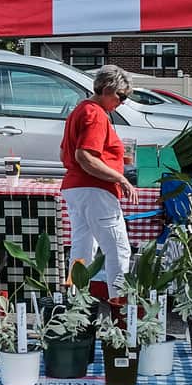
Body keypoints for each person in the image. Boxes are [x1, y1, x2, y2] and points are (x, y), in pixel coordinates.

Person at [60, 64, 138, 296]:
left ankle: (75, 303)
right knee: (118, 250)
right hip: (96, 189)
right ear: (106, 89)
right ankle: (120, 306)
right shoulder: (95, 114)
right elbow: (84, 156)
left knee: (82, 248)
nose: (122, 102)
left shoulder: (80, 110)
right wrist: (121, 179)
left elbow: (65, 153)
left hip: (76, 187)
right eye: (121, 96)